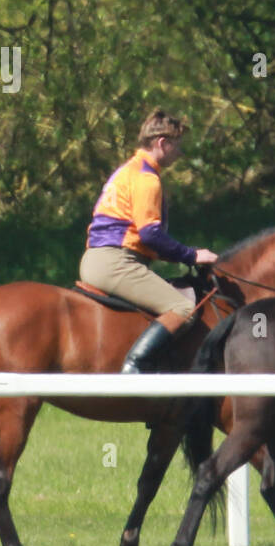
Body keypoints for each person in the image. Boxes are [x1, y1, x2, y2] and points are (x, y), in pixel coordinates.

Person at [80, 109, 218, 373]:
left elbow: (144, 238)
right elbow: (149, 234)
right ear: (162, 143)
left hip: (99, 258)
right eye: (178, 146)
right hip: (115, 262)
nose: (180, 154)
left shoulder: (128, 170)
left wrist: (181, 254)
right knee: (183, 307)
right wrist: (191, 256)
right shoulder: (147, 178)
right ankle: (134, 367)